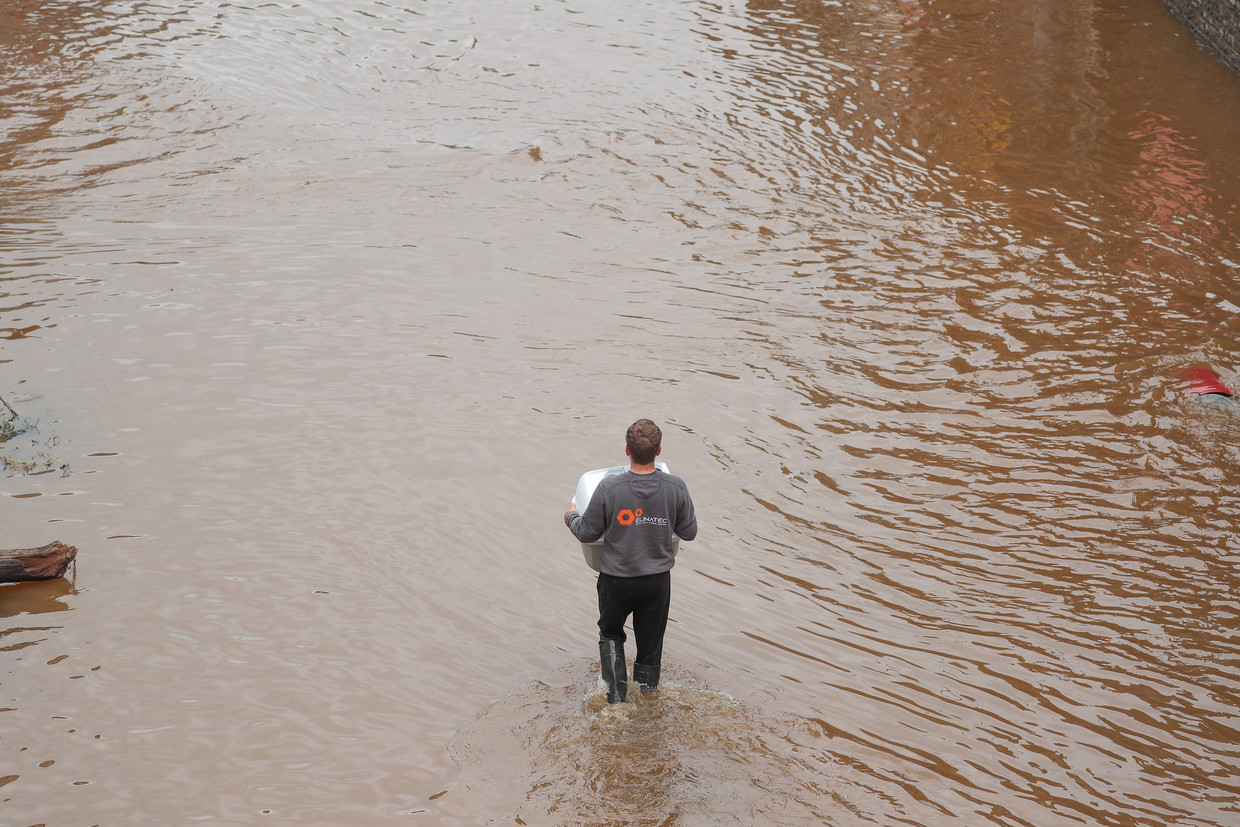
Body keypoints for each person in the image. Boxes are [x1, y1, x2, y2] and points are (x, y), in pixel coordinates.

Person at [564, 419, 698, 703]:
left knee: (611, 634)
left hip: (616, 581)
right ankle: (648, 700)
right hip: (656, 582)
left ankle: (615, 703)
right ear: (659, 450)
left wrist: (570, 516)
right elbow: (689, 532)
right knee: (650, 645)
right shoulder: (676, 487)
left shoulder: (608, 489)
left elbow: (587, 533)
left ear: (627, 451)